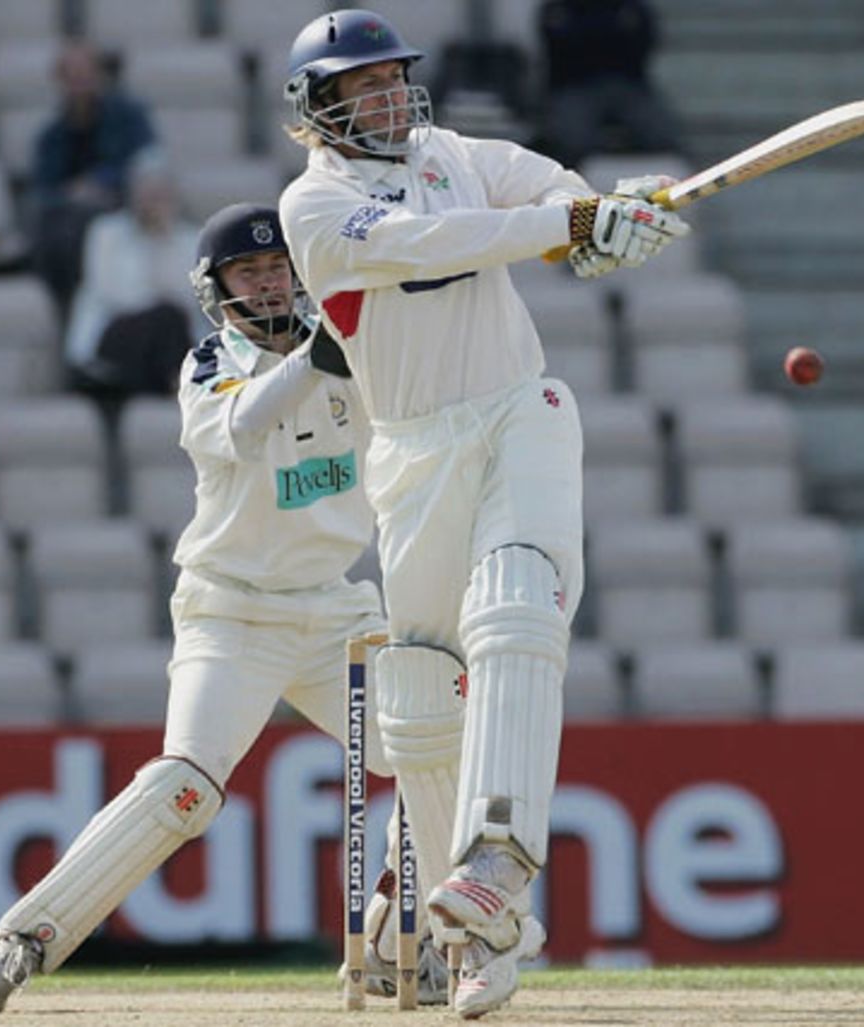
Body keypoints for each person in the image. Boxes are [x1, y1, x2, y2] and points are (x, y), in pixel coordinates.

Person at [279, 8, 689, 1018]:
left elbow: (547, 182)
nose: (383, 97)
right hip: (411, 453)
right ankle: (478, 941)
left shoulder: (455, 151)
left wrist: (599, 217)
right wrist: (570, 228)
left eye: (390, 79)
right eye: (359, 86)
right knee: (417, 700)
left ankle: (498, 859)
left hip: (519, 409)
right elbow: (432, 247)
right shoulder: (315, 207)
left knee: (515, 601)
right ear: (317, 108)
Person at [0, 203, 446, 1012]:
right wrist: (325, 354)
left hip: (335, 613)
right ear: (217, 290)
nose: (270, 282)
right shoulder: (209, 364)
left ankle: (393, 947)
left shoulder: (353, 350)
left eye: (280, 268)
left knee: (436, 749)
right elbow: (248, 428)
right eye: (249, 273)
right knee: (185, 785)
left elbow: (426, 371)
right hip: (233, 613)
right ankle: (22, 942)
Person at [64, 147, 202, 403]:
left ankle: (171, 389)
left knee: (170, 322)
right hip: (115, 333)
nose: (152, 201)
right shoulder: (106, 233)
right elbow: (114, 294)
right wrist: (159, 295)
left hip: (166, 342)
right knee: (167, 316)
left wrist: (162, 240)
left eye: (160, 194)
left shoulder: (189, 240)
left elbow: (192, 299)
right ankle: (179, 390)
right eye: (147, 192)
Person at [30, 40, 156, 303]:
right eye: (72, 76)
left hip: (122, 205)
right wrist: (74, 194)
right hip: (68, 218)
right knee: (57, 227)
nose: (80, 83)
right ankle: (67, 302)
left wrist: (98, 183)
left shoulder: (128, 117)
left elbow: (146, 162)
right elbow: (43, 189)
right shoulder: (51, 136)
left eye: (86, 74)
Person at [538, 0, 681, 164]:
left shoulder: (632, 7)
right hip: (574, 86)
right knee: (571, 138)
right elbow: (559, 49)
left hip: (626, 84)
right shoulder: (558, 7)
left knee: (660, 130)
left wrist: (587, 37)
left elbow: (642, 45)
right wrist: (611, 35)